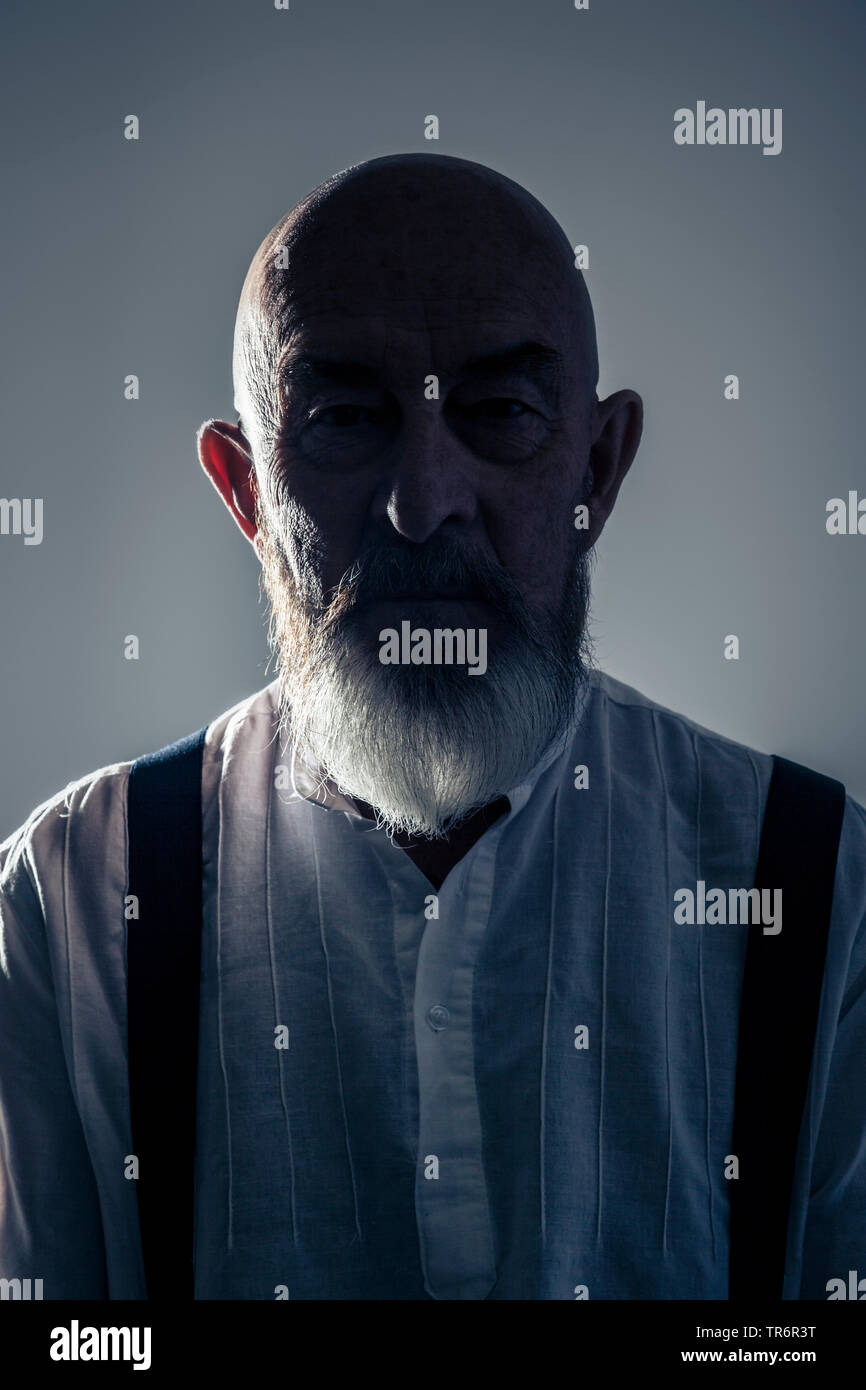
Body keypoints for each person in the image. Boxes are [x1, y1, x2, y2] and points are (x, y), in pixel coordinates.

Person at [1, 154, 864, 1301]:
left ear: (596, 469)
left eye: (499, 411)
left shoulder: (818, 890)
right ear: (247, 490)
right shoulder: (71, 901)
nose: (422, 501)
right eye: (347, 417)